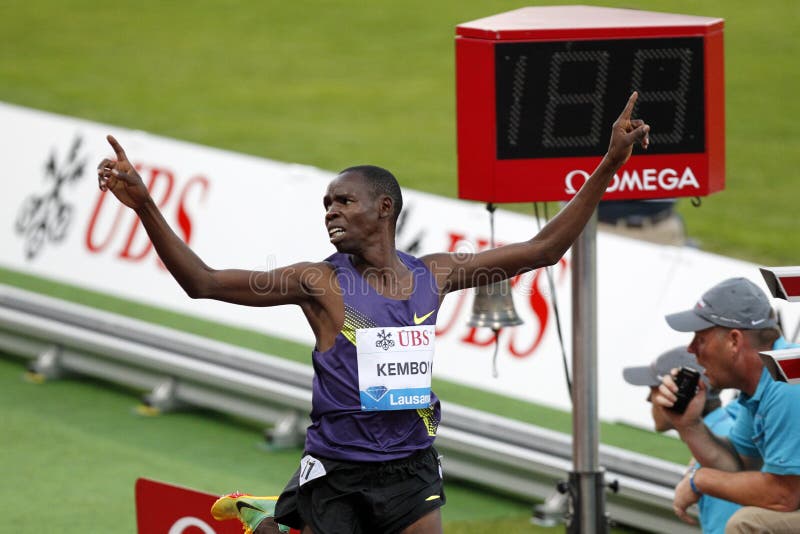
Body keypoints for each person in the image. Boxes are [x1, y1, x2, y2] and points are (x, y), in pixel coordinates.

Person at [97, 93, 649, 534]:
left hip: (410, 465)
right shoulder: (318, 281)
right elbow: (204, 283)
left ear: (384, 208)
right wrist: (145, 204)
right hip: (337, 468)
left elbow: (542, 250)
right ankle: (268, 522)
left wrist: (608, 165)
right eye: (326, 205)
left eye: (343, 201)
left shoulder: (433, 274)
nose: (331, 212)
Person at [652, 277, 800, 533]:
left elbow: (783, 496)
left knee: (746, 525)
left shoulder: (787, 384)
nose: (690, 350)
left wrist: (701, 480)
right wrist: (689, 425)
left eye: (700, 340)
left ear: (733, 341)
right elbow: (739, 465)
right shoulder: (762, 385)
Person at [623, 346, 741, 532]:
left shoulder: (714, 456)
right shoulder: (726, 431)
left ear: (680, 396)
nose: (648, 398)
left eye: (655, 388)